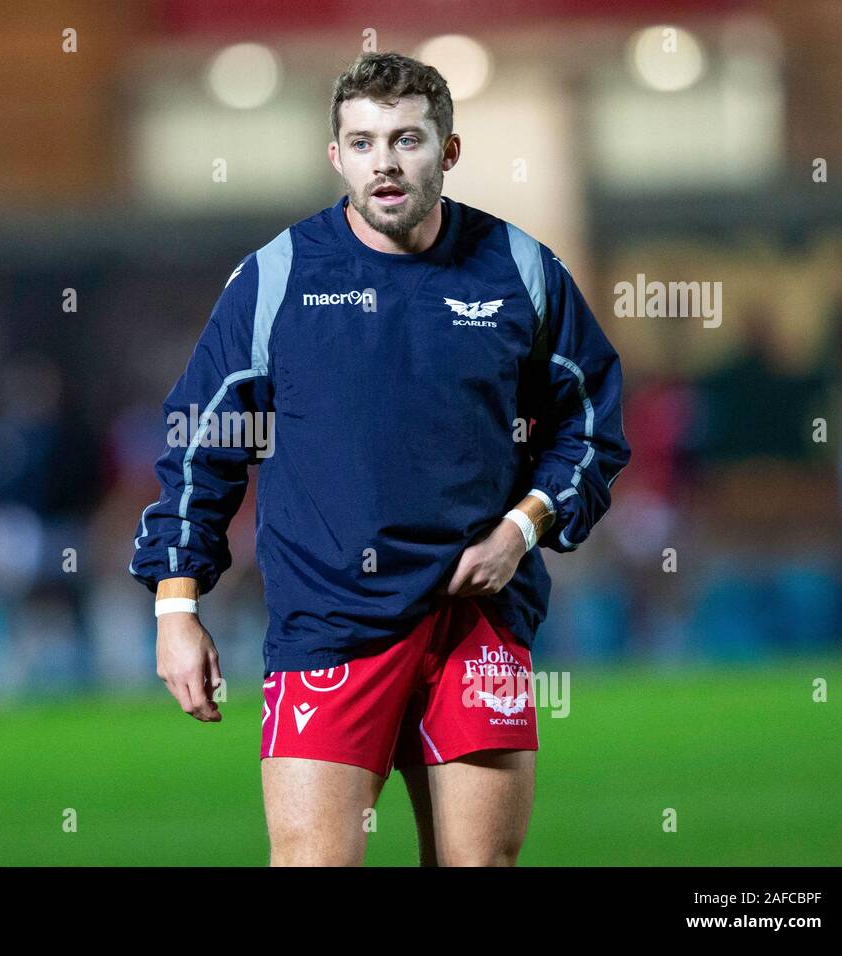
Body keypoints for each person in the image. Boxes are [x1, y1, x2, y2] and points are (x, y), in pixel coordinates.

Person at [129, 51, 630, 866]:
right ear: (336, 156)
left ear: (450, 150)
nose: (385, 164)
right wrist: (176, 608)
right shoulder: (278, 277)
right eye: (362, 143)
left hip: (479, 622)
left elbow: (591, 427)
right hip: (328, 620)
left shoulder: (521, 271)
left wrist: (520, 529)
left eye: (407, 140)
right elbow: (201, 442)